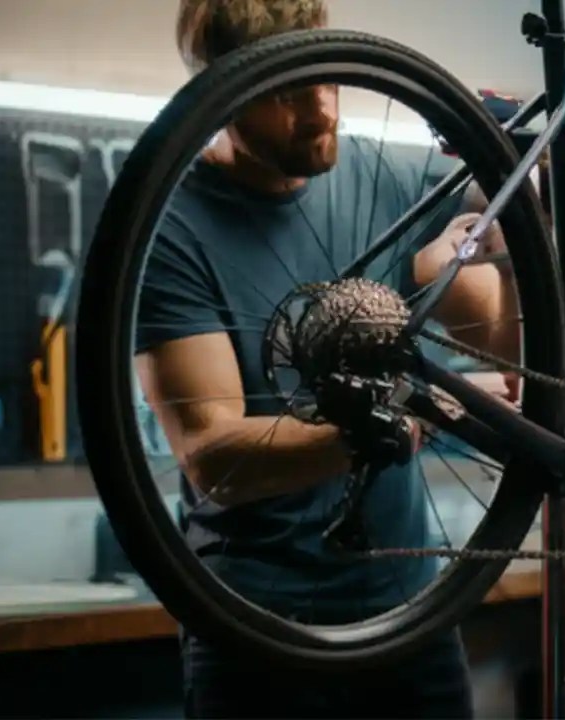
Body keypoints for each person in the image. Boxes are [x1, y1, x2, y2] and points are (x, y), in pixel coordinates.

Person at [135, 1, 518, 716]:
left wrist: (519, 229)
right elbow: (216, 458)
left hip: (408, 614)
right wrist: (410, 418)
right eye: (288, 91)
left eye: (327, 76)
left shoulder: (386, 179)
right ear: (223, 93)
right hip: (257, 632)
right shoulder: (171, 229)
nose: (320, 109)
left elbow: (499, 338)